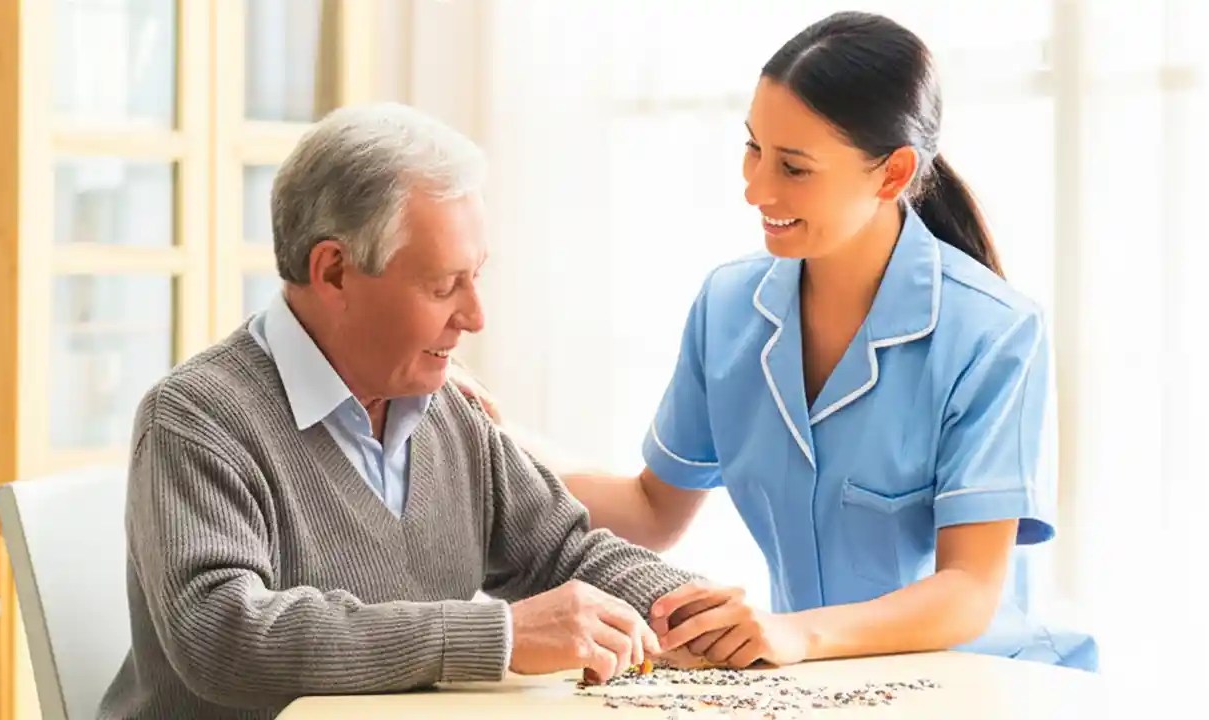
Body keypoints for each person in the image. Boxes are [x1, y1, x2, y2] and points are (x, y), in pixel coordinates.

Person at [460, 12, 1097, 672]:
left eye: (793, 167)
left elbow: (967, 591)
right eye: (754, 149)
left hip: (986, 682)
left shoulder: (994, 333)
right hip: (825, 687)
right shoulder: (728, 308)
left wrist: (795, 634)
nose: (755, 188)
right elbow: (651, 510)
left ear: (892, 174)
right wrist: (486, 440)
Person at [99, 103, 745, 719]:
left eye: (476, 276)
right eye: (443, 286)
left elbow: (561, 551)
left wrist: (693, 612)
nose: (475, 316)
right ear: (334, 272)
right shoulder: (195, 418)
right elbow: (221, 634)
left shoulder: (445, 406)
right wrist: (498, 636)